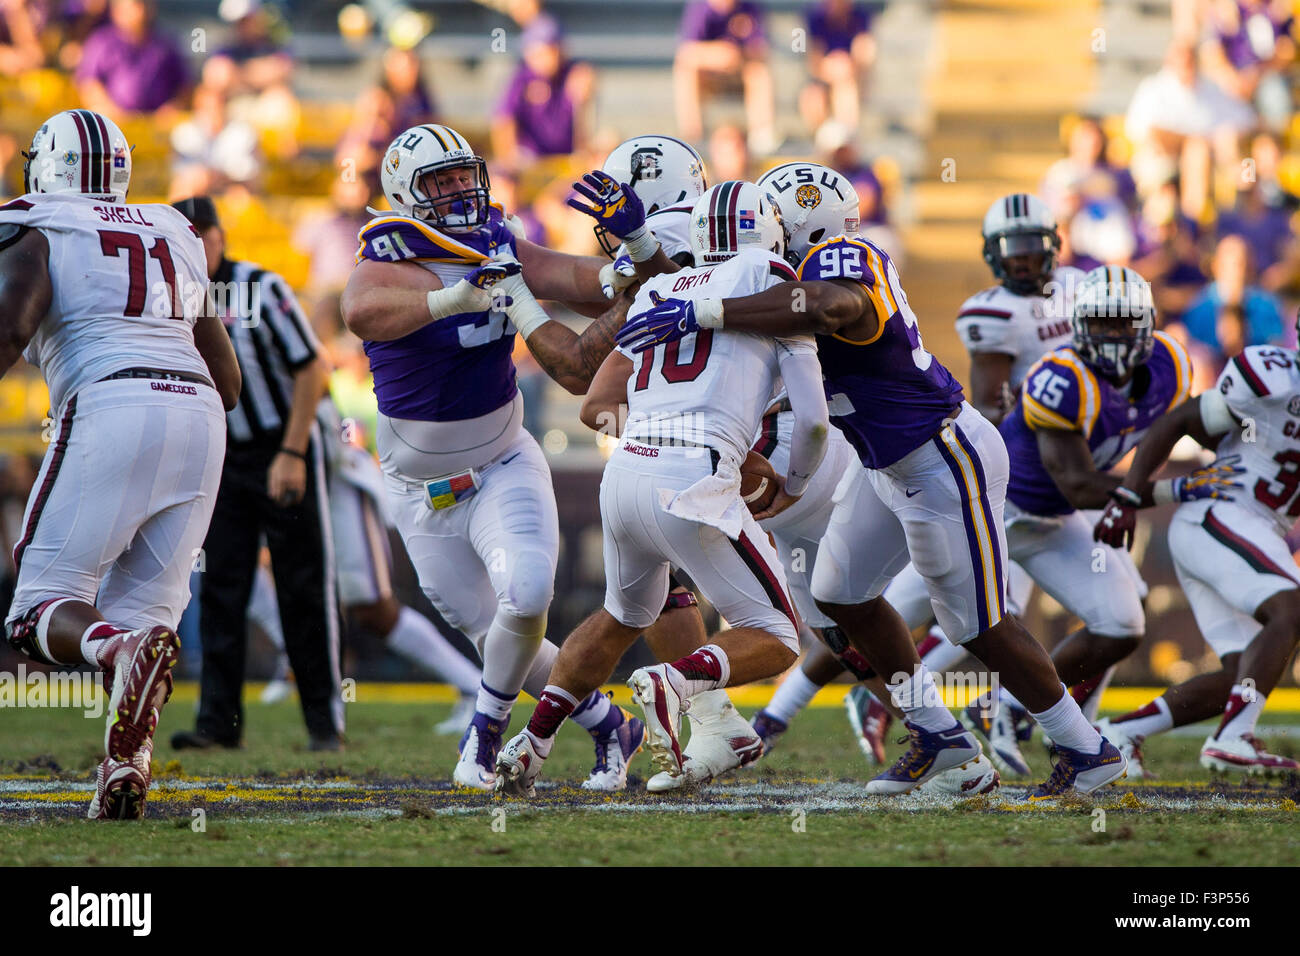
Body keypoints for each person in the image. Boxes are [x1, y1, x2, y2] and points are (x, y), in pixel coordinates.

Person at [614, 166, 1130, 800]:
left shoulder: (844, 257)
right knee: (839, 591)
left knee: (978, 623)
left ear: (802, 223)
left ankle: (1087, 749)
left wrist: (704, 309)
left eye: (773, 221)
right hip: (883, 463)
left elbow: (833, 306)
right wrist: (645, 252)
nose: (764, 237)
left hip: (943, 454)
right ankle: (940, 737)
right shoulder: (783, 286)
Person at [339, 123, 653, 791]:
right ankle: (608, 725)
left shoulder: (496, 241)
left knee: (528, 594)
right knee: (497, 635)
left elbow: (577, 278)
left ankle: (483, 736)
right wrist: (448, 299)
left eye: (462, 176)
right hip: (419, 491)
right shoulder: (387, 254)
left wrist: (635, 259)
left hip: (502, 462)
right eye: (441, 181)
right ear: (404, 192)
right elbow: (362, 310)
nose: (458, 190)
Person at [494, 181, 829, 795]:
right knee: (781, 635)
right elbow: (811, 418)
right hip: (692, 476)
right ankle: (673, 682)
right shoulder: (772, 274)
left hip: (625, 471)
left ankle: (532, 741)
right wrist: (794, 481)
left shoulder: (658, 287)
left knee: (624, 613)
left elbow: (599, 396)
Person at [0, 110, 240, 819]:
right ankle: (123, 768)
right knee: (147, 619)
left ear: (47, 167)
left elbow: (11, 326)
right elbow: (227, 379)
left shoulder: (35, 219)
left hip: (112, 402)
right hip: (199, 416)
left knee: (36, 610)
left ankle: (119, 651)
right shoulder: (173, 227)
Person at [167, 196, 344, 753]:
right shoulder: (166, 293)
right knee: (222, 587)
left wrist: (290, 454)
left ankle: (323, 724)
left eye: (203, 235)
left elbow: (314, 370)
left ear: (221, 236)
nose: (195, 246)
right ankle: (220, 724)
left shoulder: (260, 288)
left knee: (302, 584)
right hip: (222, 457)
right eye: (185, 236)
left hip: (281, 446)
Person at [1095, 335, 1300, 775]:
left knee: (1242, 671)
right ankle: (1232, 737)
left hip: (1250, 527)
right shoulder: (1276, 378)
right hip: (1220, 513)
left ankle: (1121, 734)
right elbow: (1179, 421)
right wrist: (1128, 495)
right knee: (1291, 610)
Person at [673, 0, 776, 152]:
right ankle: (694, 137)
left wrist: (738, 54)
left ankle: (761, 136)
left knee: (759, 72)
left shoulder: (749, 7)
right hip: (710, 76)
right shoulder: (699, 8)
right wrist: (716, 54)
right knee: (686, 72)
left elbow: (762, 49)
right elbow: (685, 53)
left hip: (739, 74)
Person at [492, 18, 593, 170]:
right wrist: (508, 161)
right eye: (545, 50)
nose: (552, 56)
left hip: (567, 158)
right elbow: (503, 120)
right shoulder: (521, 77)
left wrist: (583, 100)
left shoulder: (575, 73)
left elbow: (584, 130)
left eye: (554, 48)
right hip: (530, 158)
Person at [1180, 234, 1286, 371]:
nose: (1238, 272)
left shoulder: (1267, 305)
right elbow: (1194, 347)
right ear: (1216, 266)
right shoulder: (1200, 306)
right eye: (1231, 265)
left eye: (1243, 264)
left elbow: (1276, 347)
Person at [75, 0, 189, 120]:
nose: (141, 11)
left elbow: (184, 86)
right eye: (135, 4)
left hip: (157, 128)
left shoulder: (166, 44)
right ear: (117, 10)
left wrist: (173, 108)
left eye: (145, 4)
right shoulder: (101, 42)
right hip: (114, 125)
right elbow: (88, 83)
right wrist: (112, 112)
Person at [798, 0, 875, 138]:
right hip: (823, 79)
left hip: (853, 80)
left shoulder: (861, 17)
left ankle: (847, 138)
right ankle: (825, 142)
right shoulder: (814, 17)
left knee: (845, 85)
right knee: (811, 97)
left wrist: (846, 66)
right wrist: (832, 66)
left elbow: (865, 55)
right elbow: (812, 60)